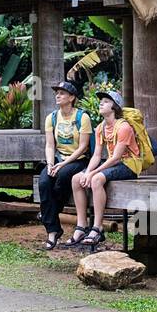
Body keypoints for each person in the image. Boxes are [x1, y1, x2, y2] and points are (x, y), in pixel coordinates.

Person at [65, 91, 144, 250]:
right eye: (101, 101)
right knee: (76, 179)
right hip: (114, 163)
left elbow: (116, 158)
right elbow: (96, 155)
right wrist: (87, 171)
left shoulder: (123, 127)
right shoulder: (100, 127)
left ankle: (98, 227)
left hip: (129, 165)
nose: (101, 103)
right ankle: (81, 226)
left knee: (96, 179)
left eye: (106, 101)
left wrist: (93, 174)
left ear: (114, 107)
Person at [38, 81, 92, 250]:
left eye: (62, 93)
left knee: (62, 176)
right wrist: (50, 164)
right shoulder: (51, 117)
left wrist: (62, 165)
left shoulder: (82, 117)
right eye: (57, 93)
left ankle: (49, 214)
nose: (58, 96)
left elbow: (83, 147)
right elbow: (49, 145)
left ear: (72, 98)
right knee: (44, 182)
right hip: (58, 159)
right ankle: (52, 232)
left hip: (78, 160)